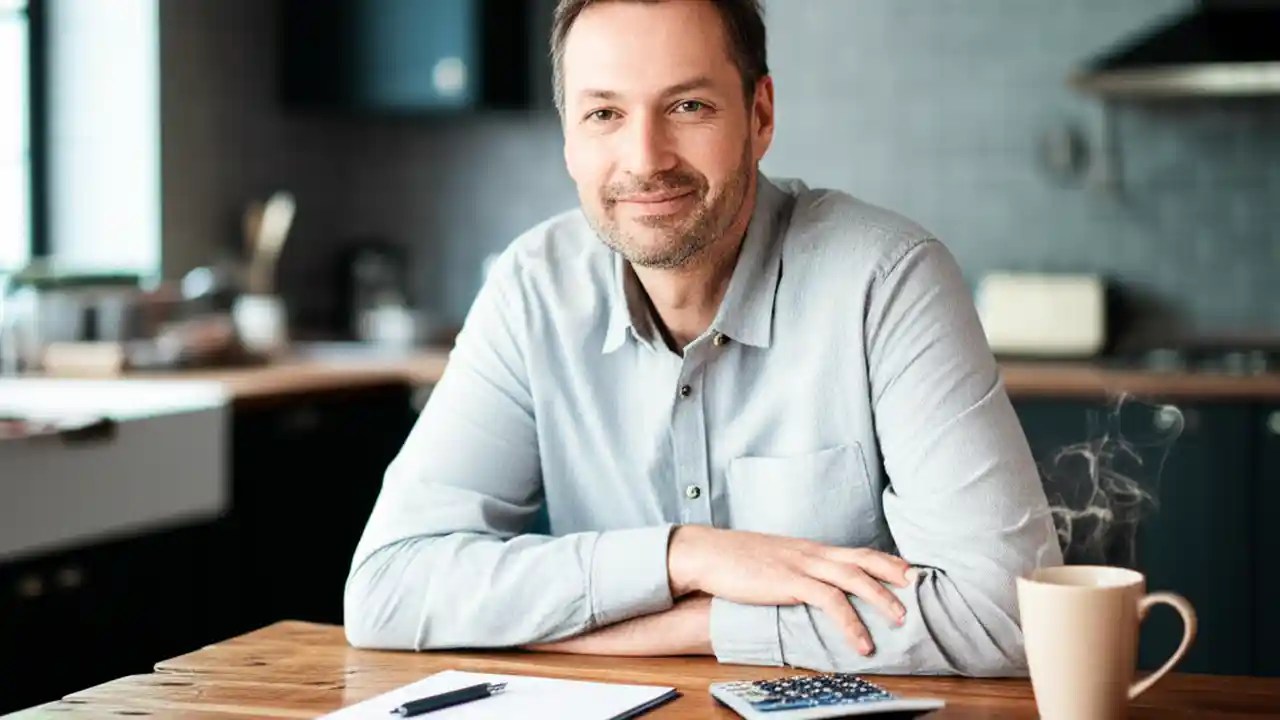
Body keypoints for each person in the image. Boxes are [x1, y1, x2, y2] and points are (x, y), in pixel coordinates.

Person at [344, 0, 1062, 675]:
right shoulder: (533, 289)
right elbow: (387, 590)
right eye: (604, 113)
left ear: (760, 114)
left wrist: (701, 626)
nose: (646, 158)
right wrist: (683, 557)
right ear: (569, 140)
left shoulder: (888, 280)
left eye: (688, 106)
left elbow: (1011, 612)